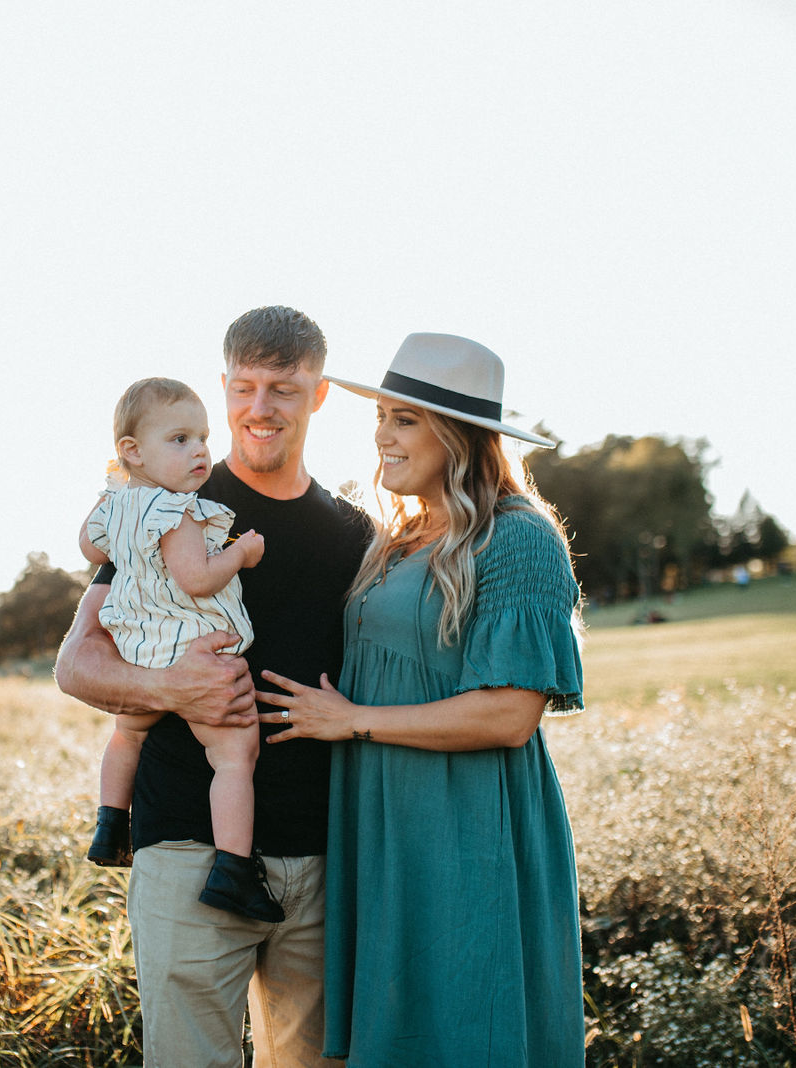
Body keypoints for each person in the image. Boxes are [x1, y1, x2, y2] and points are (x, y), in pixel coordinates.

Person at [55, 306, 372, 1067]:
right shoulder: (170, 505)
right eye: (244, 386)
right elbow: (76, 663)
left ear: (319, 395)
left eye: (285, 390)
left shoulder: (355, 534)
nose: (260, 408)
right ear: (224, 385)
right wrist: (172, 688)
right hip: (189, 853)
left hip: (322, 863)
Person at [259, 332, 587, 1066]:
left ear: (459, 435)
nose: (382, 434)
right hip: (384, 825)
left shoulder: (519, 538)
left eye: (404, 419)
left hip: (468, 830)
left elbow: (509, 715)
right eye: (381, 416)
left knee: (468, 1017)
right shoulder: (398, 538)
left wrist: (352, 722)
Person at [78, 376, 282, 922]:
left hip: (137, 650)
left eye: (202, 438)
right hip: (190, 649)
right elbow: (196, 578)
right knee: (235, 756)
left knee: (128, 733)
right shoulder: (179, 510)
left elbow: (87, 545)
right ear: (133, 450)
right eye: (179, 439)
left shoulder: (116, 504)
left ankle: (109, 824)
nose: (199, 451)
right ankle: (235, 869)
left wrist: (118, 501)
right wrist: (241, 553)